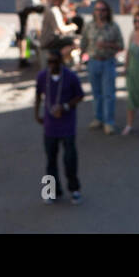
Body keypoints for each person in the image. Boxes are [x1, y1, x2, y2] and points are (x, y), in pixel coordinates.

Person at [35, 47, 84, 204]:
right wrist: (37, 114)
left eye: (54, 62)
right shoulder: (43, 77)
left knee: (70, 159)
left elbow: (80, 96)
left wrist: (65, 107)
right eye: (48, 62)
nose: (51, 65)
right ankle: (50, 192)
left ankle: (74, 190)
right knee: (50, 160)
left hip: (67, 125)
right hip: (50, 126)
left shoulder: (70, 77)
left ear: (61, 62)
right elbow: (38, 95)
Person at [81, 0, 124, 134]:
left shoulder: (113, 26)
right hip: (93, 61)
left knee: (108, 93)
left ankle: (109, 122)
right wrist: (81, 58)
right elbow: (83, 42)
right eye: (97, 10)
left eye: (103, 10)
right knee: (96, 93)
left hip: (108, 62)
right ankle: (98, 118)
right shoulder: (89, 26)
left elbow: (121, 46)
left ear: (107, 12)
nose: (100, 13)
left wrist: (108, 45)